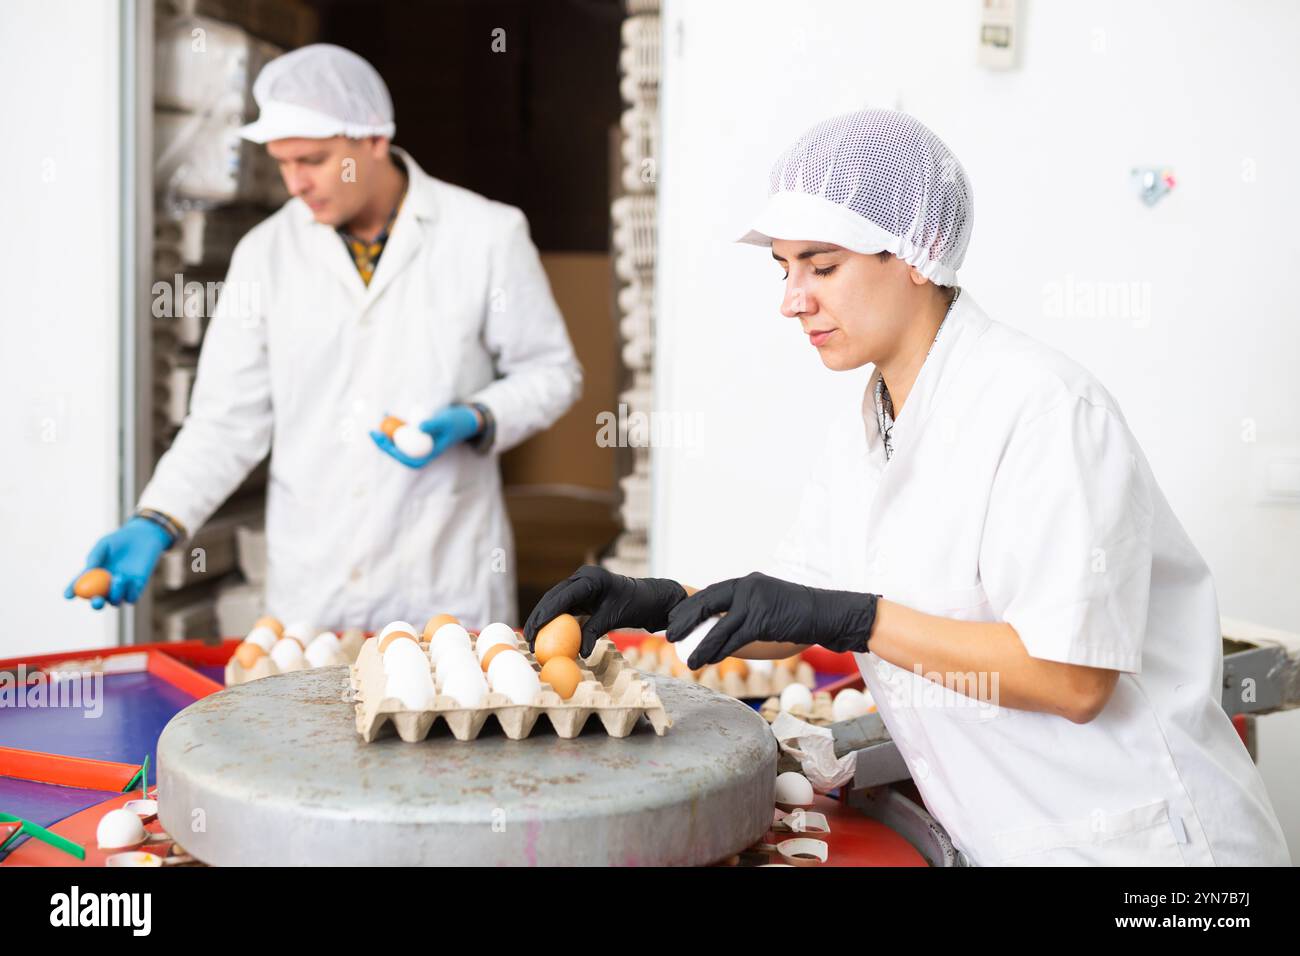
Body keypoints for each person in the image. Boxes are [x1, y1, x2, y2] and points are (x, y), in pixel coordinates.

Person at [525, 109, 1290, 866]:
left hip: (1152, 853)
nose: (792, 299)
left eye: (821, 266)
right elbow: (800, 600)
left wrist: (857, 618)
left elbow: (1072, 678)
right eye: (784, 269)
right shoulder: (873, 422)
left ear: (918, 254)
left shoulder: (1044, 409)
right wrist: (661, 605)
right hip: (1019, 841)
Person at [65, 44, 582, 629]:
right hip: (315, 585)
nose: (295, 184)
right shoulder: (265, 253)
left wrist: (475, 417)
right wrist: (156, 520)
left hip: (443, 576)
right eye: (282, 163)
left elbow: (552, 373)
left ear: (375, 140)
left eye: (312, 159)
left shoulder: (485, 234)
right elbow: (226, 419)